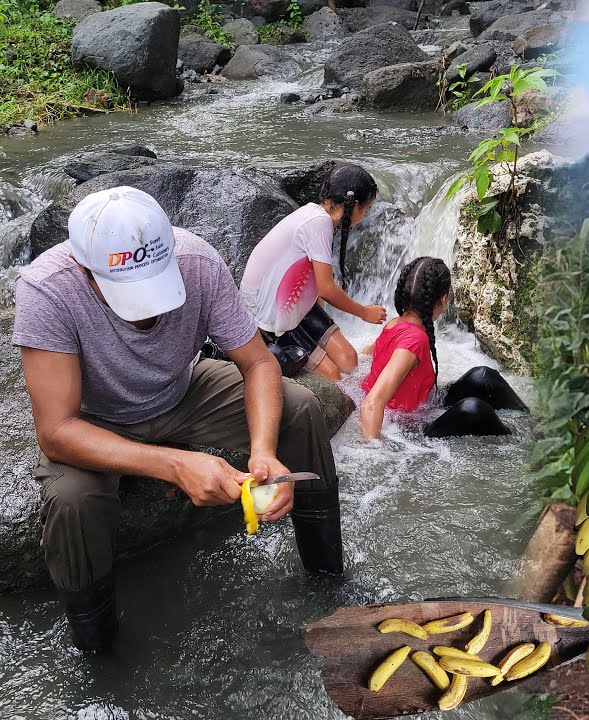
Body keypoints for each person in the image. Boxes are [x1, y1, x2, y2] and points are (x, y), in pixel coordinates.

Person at [12, 186, 345, 655]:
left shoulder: (196, 262)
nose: (149, 307)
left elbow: (259, 364)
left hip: (183, 390)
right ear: (86, 271)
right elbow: (56, 431)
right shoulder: (47, 289)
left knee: (302, 408)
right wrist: (175, 465)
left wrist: (264, 449)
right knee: (72, 501)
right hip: (95, 420)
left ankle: (328, 579)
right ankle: (98, 649)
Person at [237, 162, 387, 381]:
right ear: (354, 206)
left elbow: (314, 282)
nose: (364, 215)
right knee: (334, 376)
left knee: (349, 360)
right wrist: (364, 312)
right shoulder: (318, 223)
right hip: (270, 315)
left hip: (295, 306)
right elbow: (326, 288)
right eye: (366, 210)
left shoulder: (317, 217)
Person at [358, 256, 529, 440]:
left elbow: (368, 354)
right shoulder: (414, 341)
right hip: (402, 427)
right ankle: (523, 439)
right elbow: (372, 403)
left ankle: (531, 422)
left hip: (423, 404)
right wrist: (374, 449)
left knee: (482, 376)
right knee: (474, 410)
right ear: (444, 299)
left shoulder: (395, 324)